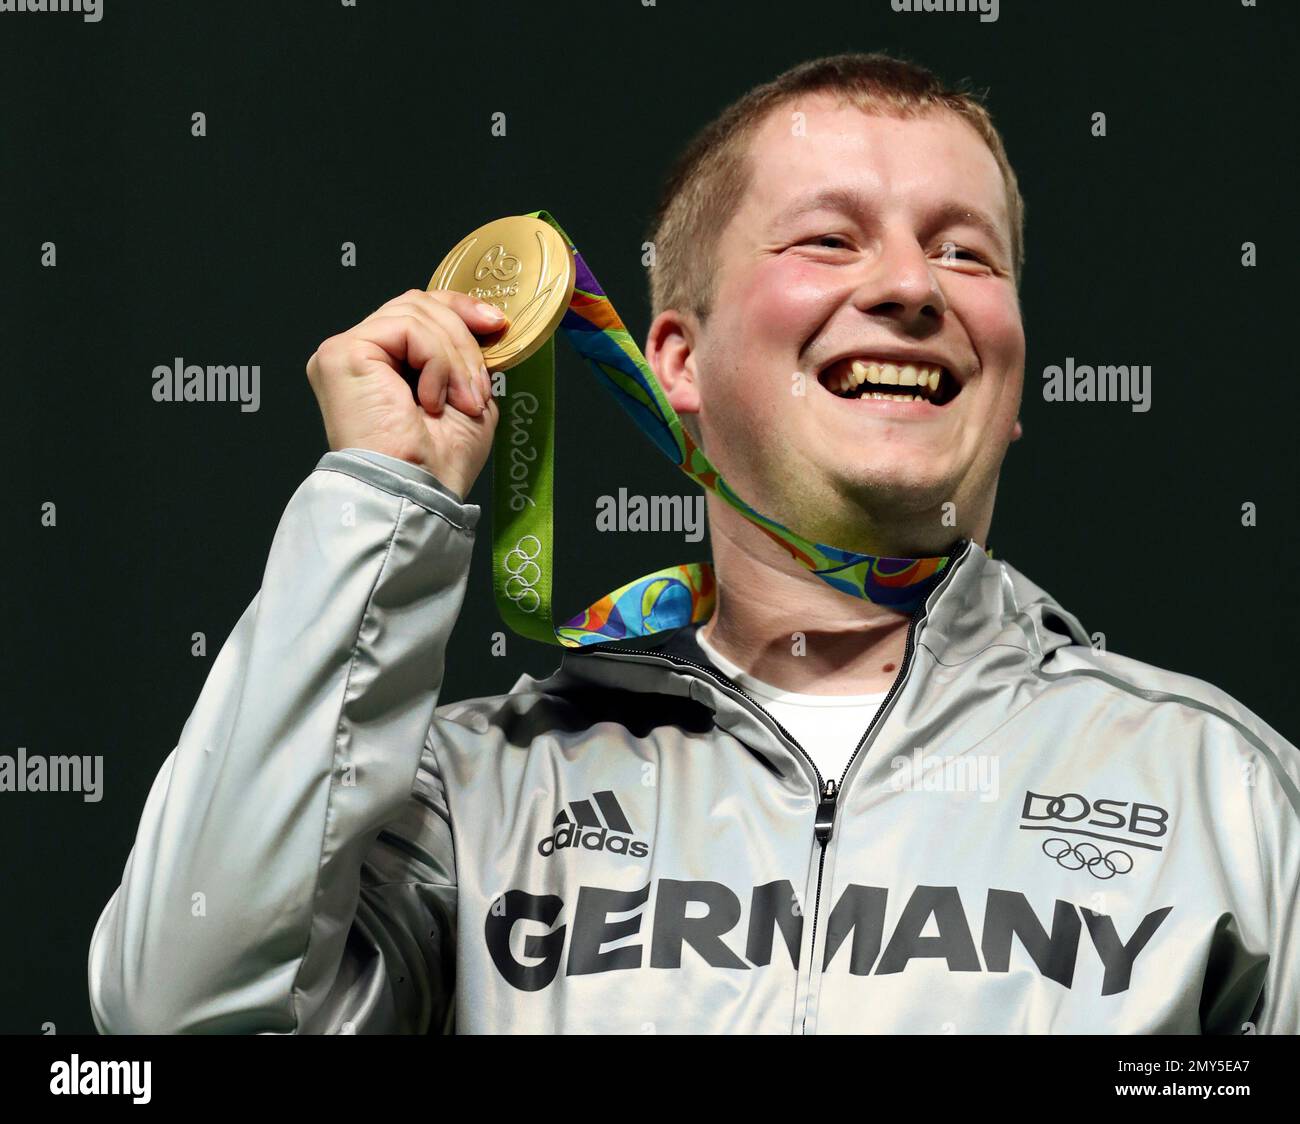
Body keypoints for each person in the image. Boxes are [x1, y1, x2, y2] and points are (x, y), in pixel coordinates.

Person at [87, 52, 1298, 1035]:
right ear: (674, 360)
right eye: (828, 238)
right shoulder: (475, 799)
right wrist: (379, 502)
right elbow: (184, 1014)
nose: (911, 286)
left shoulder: (1224, 794)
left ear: (1012, 367)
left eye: (964, 250)